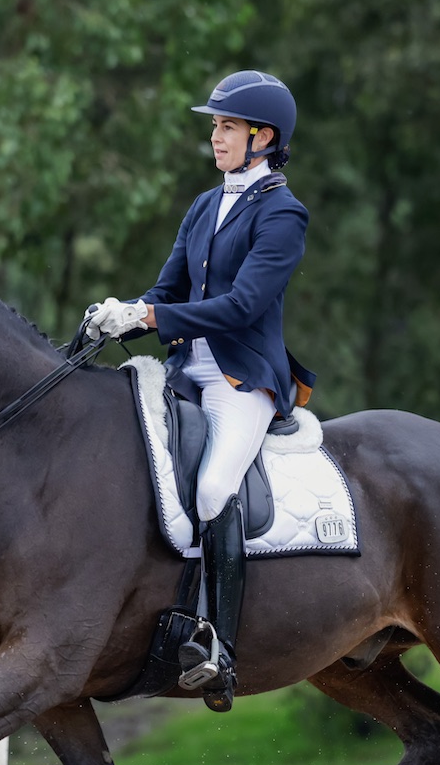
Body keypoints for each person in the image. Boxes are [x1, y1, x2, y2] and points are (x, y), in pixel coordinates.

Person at [86, 70, 315, 713]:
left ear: (263, 138)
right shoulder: (203, 204)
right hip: (185, 371)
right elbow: (166, 292)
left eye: (226, 126)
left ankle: (219, 648)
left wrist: (153, 320)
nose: (214, 137)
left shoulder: (282, 213)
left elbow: (243, 306)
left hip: (243, 378)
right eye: (215, 126)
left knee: (213, 489)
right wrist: (123, 311)